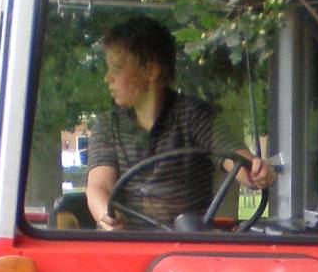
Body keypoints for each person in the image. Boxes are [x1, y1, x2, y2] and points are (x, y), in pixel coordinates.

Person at [84, 15, 274, 229]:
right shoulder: (107, 126)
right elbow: (98, 187)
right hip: (127, 244)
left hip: (186, 246)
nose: (107, 78)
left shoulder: (193, 115)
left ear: (150, 70)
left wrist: (256, 171)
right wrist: (106, 216)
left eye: (117, 68)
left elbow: (236, 160)